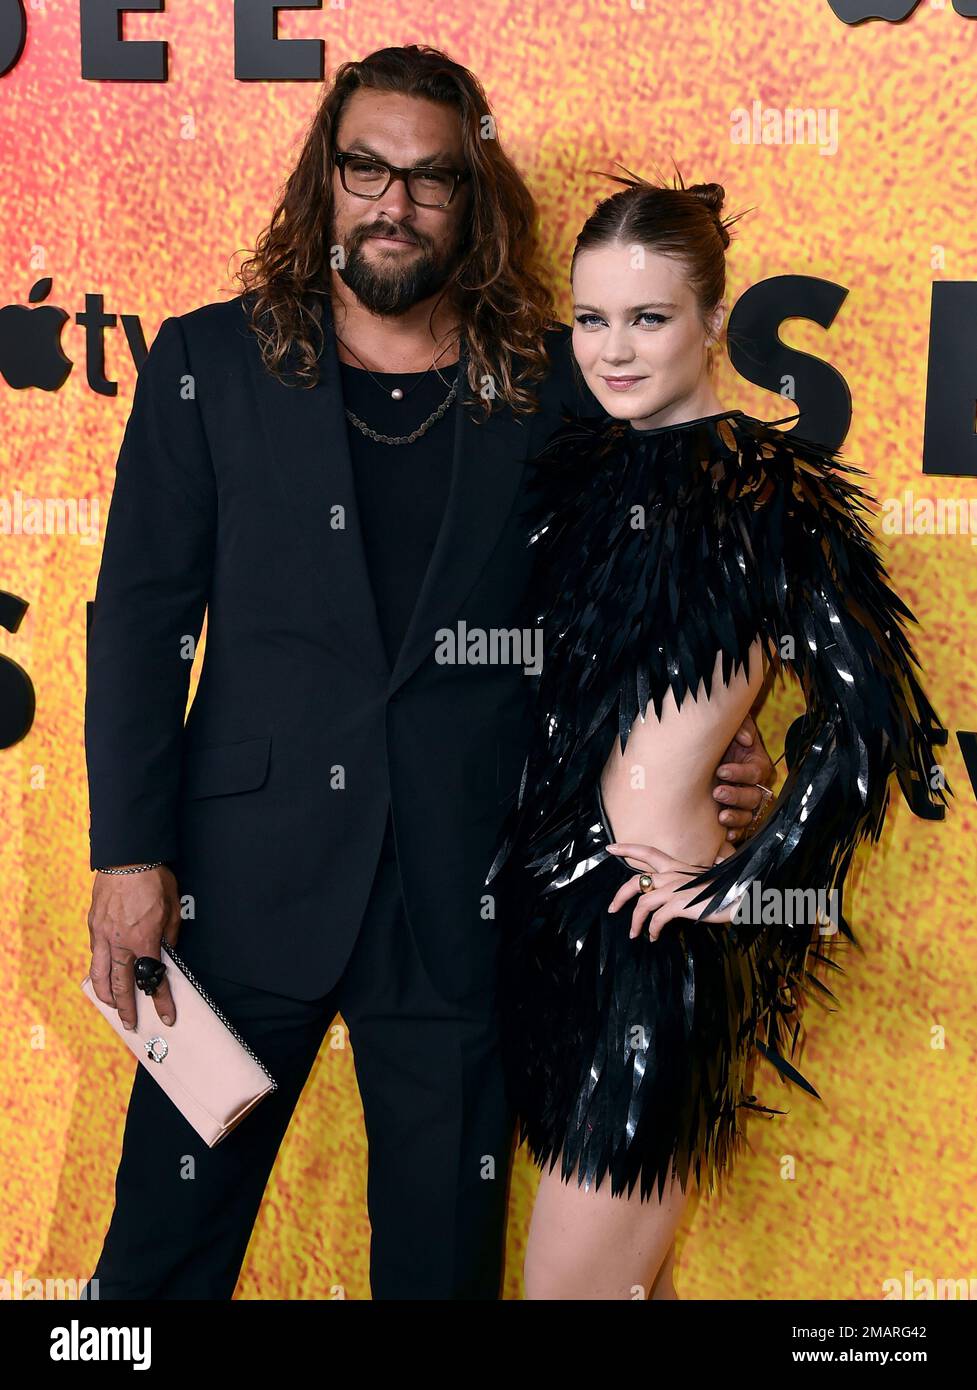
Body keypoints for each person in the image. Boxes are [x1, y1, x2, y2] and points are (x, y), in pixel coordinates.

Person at [79, 50, 774, 1300]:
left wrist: (710, 741)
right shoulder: (207, 364)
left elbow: (621, 615)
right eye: (365, 169)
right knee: (151, 1266)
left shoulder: (558, 387)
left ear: (473, 197)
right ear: (324, 179)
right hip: (236, 891)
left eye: (430, 179)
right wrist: (129, 856)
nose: (392, 203)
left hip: (465, 900)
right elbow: (137, 621)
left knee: (440, 1273)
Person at [485, 170, 950, 1301]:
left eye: (647, 318)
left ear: (710, 318)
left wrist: (742, 883)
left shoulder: (769, 497)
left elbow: (866, 717)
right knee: (627, 1286)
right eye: (591, 319)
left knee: (572, 1292)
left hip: (655, 944)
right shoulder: (574, 479)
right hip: (554, 938)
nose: (613, 349)